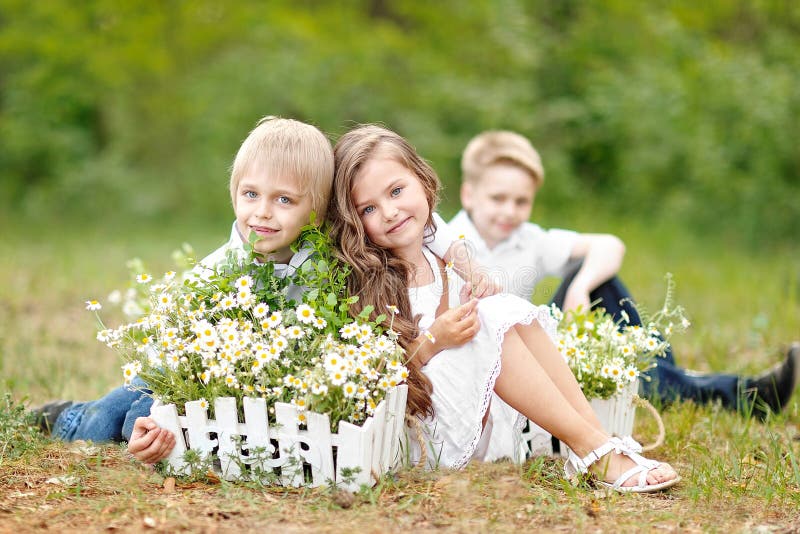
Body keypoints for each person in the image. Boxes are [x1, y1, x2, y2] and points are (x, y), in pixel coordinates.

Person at [327, 124, 680, 492]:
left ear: (423, 181)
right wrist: (434, 340)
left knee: (502, 308)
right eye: (368, 208)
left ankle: (597, 441)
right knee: (492, 316)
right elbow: (381, 375)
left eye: (397, 191)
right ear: (354, 220)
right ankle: (597, 452)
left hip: (472, 408)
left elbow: (440, 231)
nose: (389, 211)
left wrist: (473, 279)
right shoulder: (369, 280)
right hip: (427, 429)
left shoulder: (437, 254)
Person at [35, 116, 336, 463]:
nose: (262, 213)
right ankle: (64, 418)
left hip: (242, 396)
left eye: (284, 200)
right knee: (108, 420)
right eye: (251, 194)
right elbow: (167, 353)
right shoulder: (216, 271)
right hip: (174, 381)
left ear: (315, 212)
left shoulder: (321, 277)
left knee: (147, 428)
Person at [447, 130, 799, 421]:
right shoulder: (449, 242)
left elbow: (610, 245)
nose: (510, 211)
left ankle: (656, 374)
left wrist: (580, 287)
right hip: (498, 365)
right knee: (636, 355)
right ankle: (725, 391)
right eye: (498, 198)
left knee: (600, 281)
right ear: (469, 195)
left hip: (536, 346)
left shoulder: (529, 239)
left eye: (521, 201)